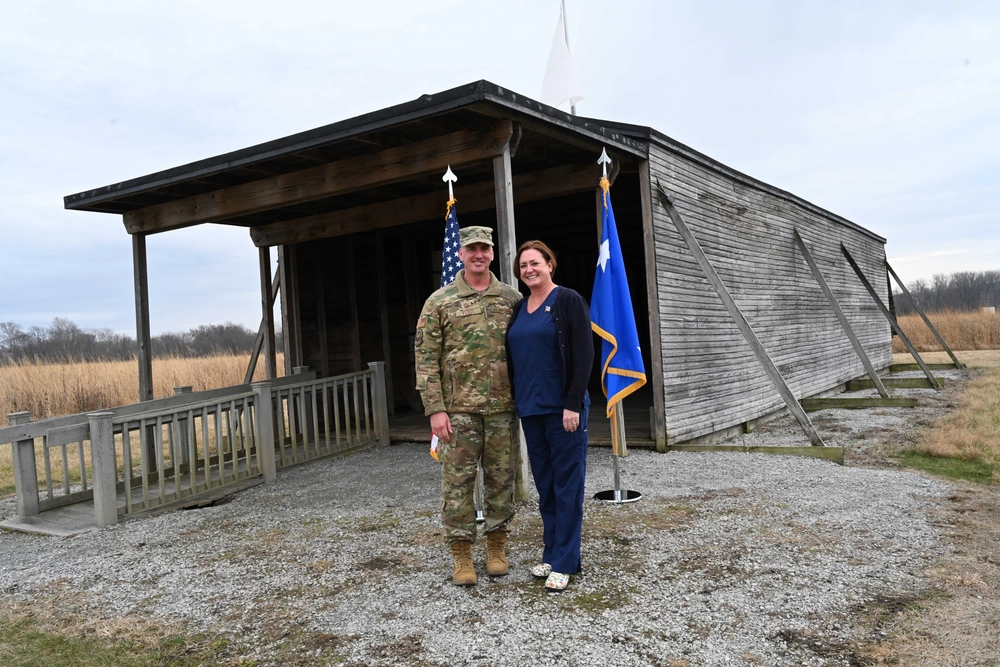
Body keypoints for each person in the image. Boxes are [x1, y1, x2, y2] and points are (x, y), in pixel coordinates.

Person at [414, 225, 523, 586]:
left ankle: (496, 547)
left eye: (485, 248)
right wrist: (435, 409)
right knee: (457, 484)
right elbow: (426, 357)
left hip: (503, 409)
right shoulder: (440, 301)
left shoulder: (511, 298)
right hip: (458, 411)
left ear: (493, 254)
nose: (479, 254)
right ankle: (461, 554)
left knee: (501, 480)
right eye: (472, 248)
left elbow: (528, 349)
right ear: (460, 254)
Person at [505, 240, 594, 591]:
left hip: (563, 410)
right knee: (547, 487)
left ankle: (567, 561)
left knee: (568, 485)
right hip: (531, 409)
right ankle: (551, 554)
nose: (529, 269)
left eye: (535, 263)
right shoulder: (518, 308)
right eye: (523, 265)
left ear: (550, 264)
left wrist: (572, 403)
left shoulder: (568, 300)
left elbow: (584, 354)